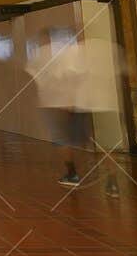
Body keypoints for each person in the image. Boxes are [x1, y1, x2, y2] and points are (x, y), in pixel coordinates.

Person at [29, 31, 123, 195]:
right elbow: (122, 71)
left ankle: (72, 173)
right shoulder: (111, 50)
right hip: (108, 104)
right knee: (106, 146)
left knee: (67, 140)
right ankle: (112, 183)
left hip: (85, 104)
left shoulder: (77, 53)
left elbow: (70, 77)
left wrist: (68, 102)